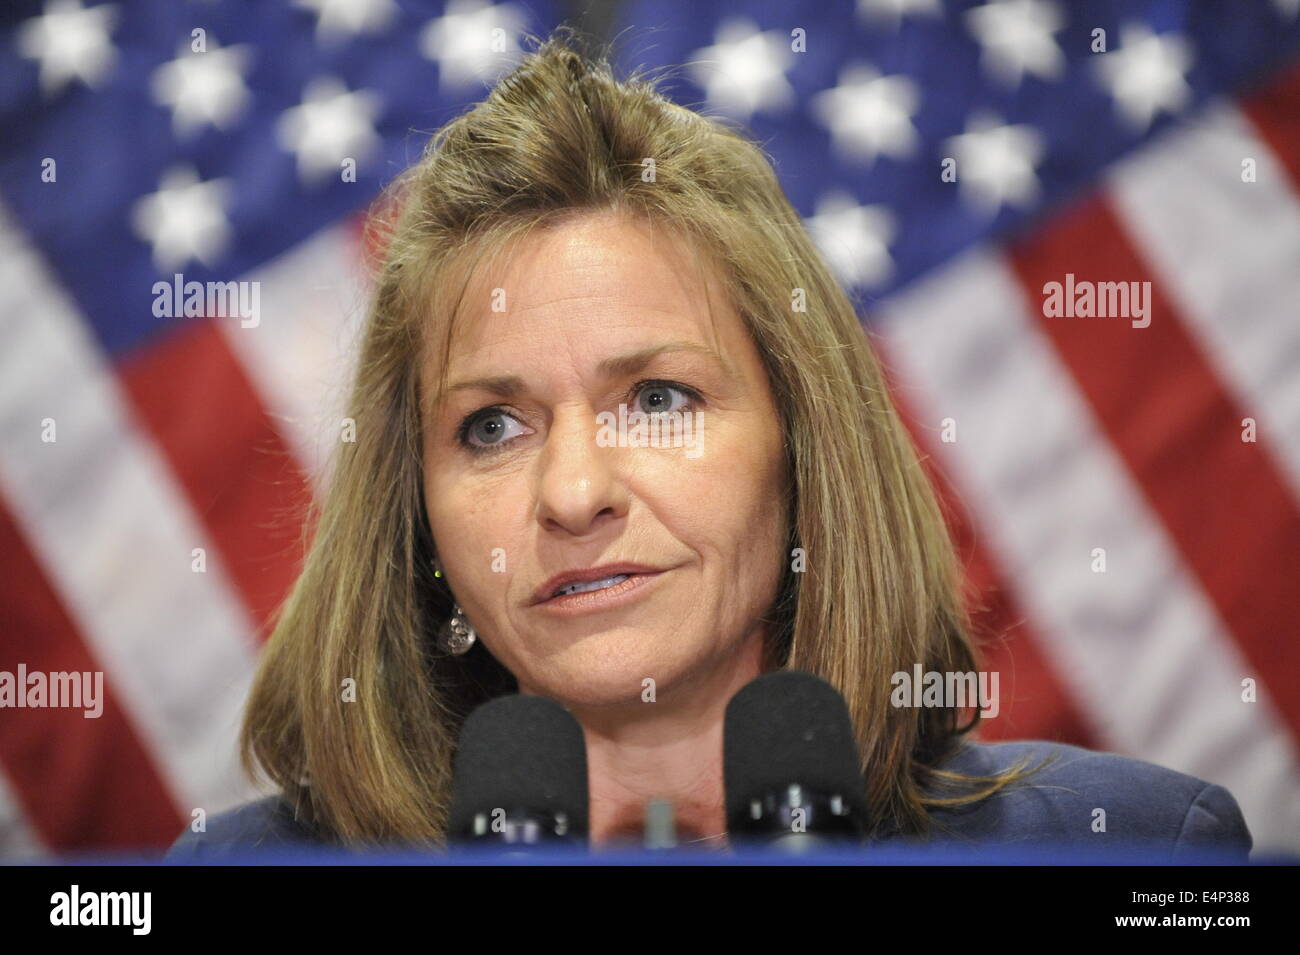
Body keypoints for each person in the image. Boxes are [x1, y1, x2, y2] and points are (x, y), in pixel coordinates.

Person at [167, 28, 1250, 861]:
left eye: (656, 398)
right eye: (490, 425)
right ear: (418, 518)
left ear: (802, 446)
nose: (576, 491)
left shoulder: (1134, 848)